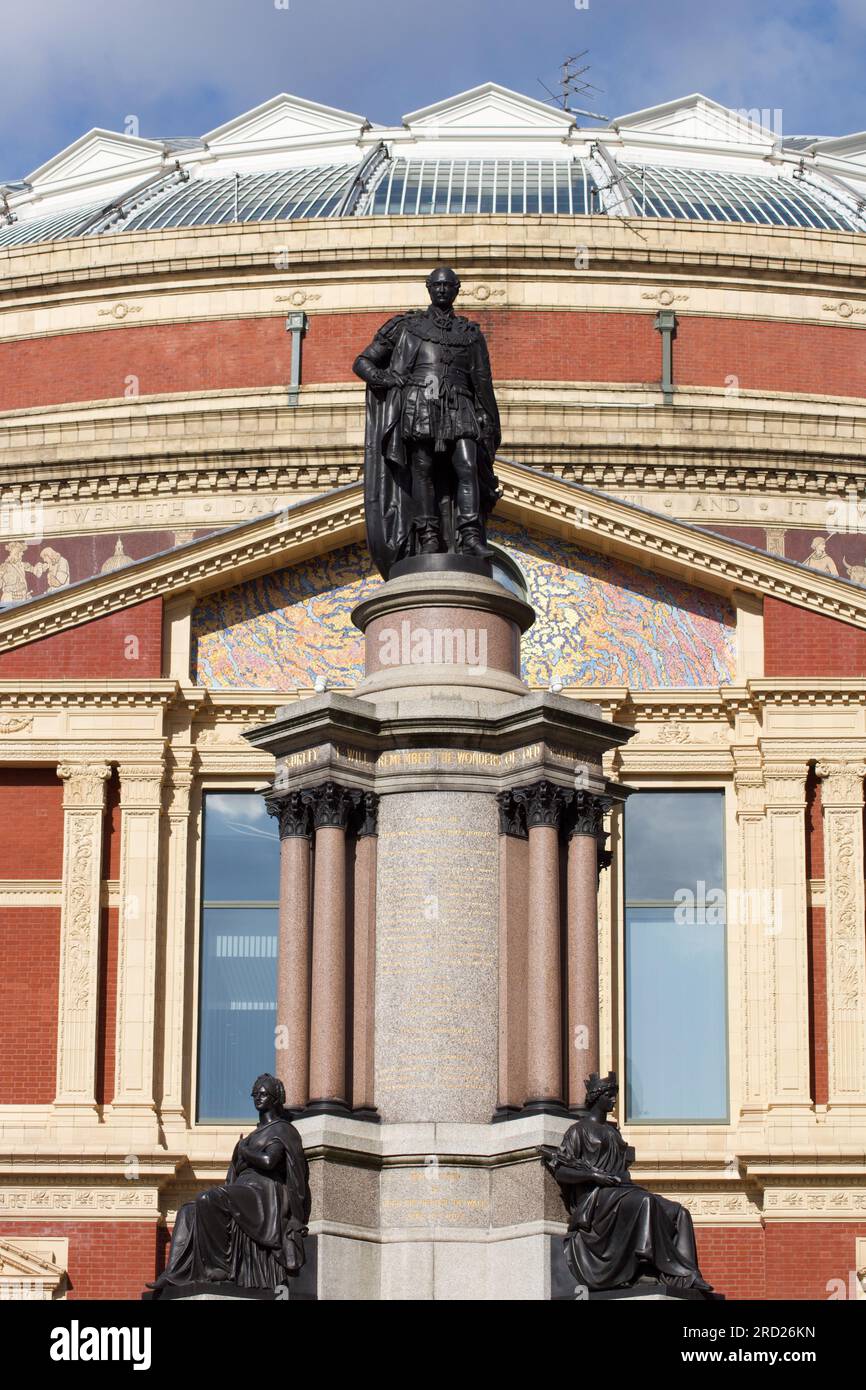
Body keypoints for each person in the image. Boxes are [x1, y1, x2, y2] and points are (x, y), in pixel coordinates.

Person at [353, 267, 501, 577]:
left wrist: (488, 419)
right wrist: (386, 378)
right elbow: (363, 362)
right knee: (423, 469)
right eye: (437, 285)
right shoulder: (407, 326)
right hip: (419, 403)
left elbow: (483, 381)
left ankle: (471, 535)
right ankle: (428, 533)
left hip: (460, 403)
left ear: (457, 289)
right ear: (429, 287)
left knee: (467, 465)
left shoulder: (470, 334)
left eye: (448, 285)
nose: (443, 290)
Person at [542, 1071, 713, 1294]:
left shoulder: (613, 1133)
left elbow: (622, 1171)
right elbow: (563, 1171)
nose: (614, 1099)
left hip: (621, 1190)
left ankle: (688, 1276)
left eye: (614, 1094)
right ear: (597, 1097)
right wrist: (594, 1176)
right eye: (610, 1095)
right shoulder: (578, 1131)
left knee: (679, 1212)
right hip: (596, 1199)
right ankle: (646, 1265)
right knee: (646, 1202)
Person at [149, 1074, 310, 1295]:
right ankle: (174, 1273)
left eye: (263, 1093)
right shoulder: (253, 1134)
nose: (258, 1098)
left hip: (264, 1191)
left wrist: (244, 1150)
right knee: (188, 1210)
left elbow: (269, 1161)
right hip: (244, 1189)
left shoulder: (282, 1130)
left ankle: (219, 1268)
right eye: (255, 1093)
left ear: (275, 1098)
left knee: (209, 1198)